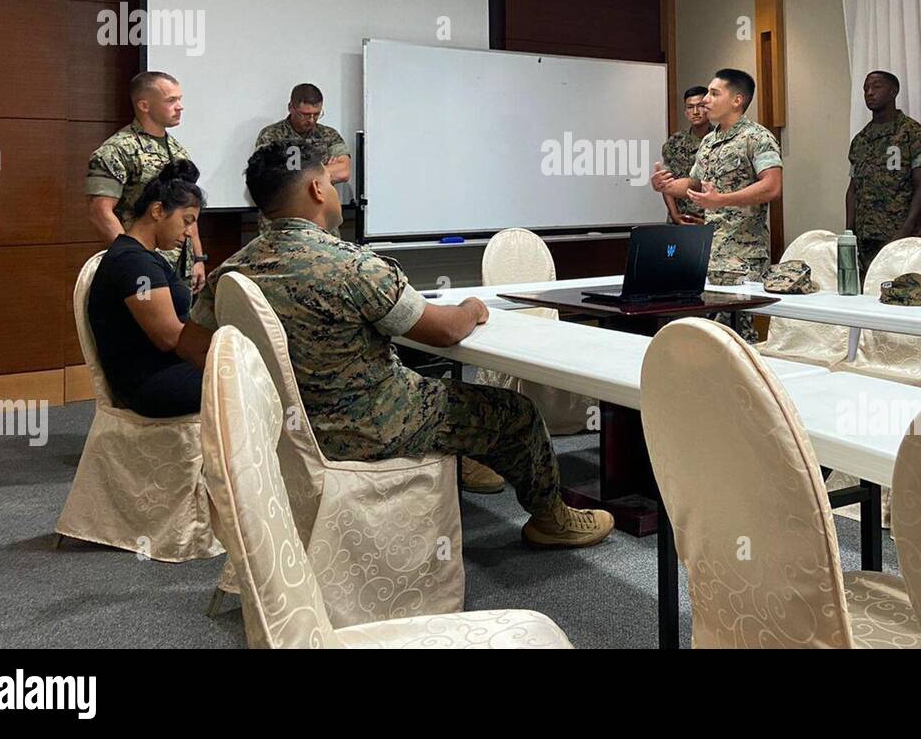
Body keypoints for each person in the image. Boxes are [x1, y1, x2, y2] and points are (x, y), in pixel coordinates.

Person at [189, 142, 614, 550]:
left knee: (453, 396)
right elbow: (443, 332)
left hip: (279, 429)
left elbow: (191, 344)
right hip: (368, 425)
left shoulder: (232, 270)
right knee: (515, 413)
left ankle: (480, 462)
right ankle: (552, 521)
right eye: (331, 183)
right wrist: (472, 307)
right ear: (317, 189)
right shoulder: (352, 265)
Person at [650, 68, 783, 341]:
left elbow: (772, 186)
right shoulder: (710, 141)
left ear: (736, 100)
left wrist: (722, 200)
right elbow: (695, 184)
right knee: (709, 332)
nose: (706, 101)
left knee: (737, 334)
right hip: (709, 253)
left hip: (741, 256)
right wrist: (665, 186)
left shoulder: (757, 137)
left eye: (714, 93)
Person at [85, 160, 213, 417]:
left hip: (166, 369)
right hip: (150, 382)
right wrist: (227, 343)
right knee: (245, 379)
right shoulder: (134, 263)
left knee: (246, 371)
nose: (190, 233)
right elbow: (169, 337)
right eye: (186, 221)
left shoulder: (142, 257)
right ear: (157, 211)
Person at [87, 71, 207, 293]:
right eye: (171, 100)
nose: (180, 106)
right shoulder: (116, 150)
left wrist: (197, 257)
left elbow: (188, 211)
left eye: (180, 99)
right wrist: (133, 260)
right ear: (144, 105)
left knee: (182, 325)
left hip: (180, 266)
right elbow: (100, 212)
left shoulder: (179, 151)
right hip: (143, 268)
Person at [845, 70, 921, 274]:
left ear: (893, 91)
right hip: (866, 239)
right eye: (866, 89)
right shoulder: (860, 140)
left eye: (876, 87)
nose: (870, 93)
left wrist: (905, 230)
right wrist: (849, 233)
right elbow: (853, 189)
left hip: (901, 236)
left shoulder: (913, 134)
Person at [253, 83, 352, 234]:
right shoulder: (271, 136)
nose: (311, 120)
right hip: (282, 223)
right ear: (291, 108)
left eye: (317, 114)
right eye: (305, 114)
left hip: (322, 221)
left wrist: (296, 173)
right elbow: (272, 178)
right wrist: (322, 174)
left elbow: (344, 171)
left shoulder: (329, 135)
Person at [660, 85, 713, 225]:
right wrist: (674, 214)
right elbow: (667, 184)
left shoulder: (720, 141)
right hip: (679, 219)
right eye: (690, 107)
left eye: (700, 106)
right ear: (685, 112)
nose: (695, 112)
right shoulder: (674, 142)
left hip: (710, 221)